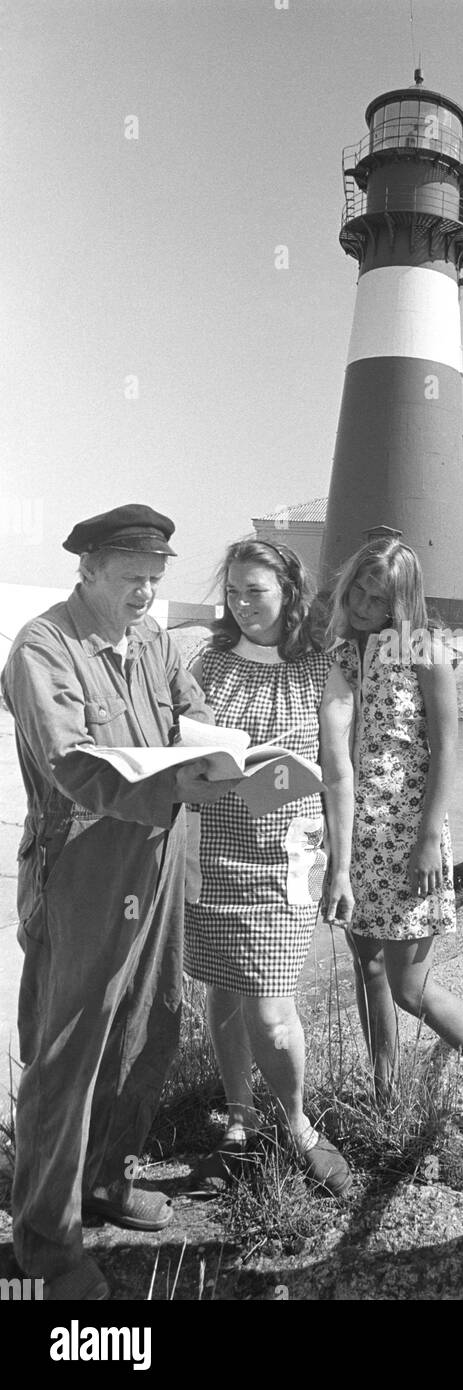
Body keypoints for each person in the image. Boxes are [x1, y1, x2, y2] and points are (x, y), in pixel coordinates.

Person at [2, 504, 237, 1301]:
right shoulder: (43, 646)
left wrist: (219, 749)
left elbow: (193, 706)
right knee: (69, 1049)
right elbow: (71, 763)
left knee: (150, 1023)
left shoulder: (157, 641)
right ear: (89, 569)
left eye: (155, 580)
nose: (145, 594)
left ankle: (105, 1179)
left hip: (164, 851)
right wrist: (179, 778)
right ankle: (44, 1241)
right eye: (132, 578)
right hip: (82, 863)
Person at [326, 538, 463, 1142]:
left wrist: (430, 836)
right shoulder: (344, 651)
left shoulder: (425, 650)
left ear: (399, 600)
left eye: (376, 596)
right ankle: (385, 1093)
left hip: (409, 832)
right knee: (368, 971)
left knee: (409, 987)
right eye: (356, 589)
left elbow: (448, 748)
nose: (362, 603)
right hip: (359, 835)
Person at [183, 540, 355, 1198]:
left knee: (274, 1011)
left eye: (256, 591)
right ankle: (240, 1117)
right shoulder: (209, 660)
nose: (242, 604)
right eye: (233, 591)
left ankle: (298, 1124)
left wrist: (341, 867)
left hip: (285, 860)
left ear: (289, 591)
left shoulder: (323, 666)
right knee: (223, 989)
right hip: (215, 852)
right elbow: (186, 745)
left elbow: (337, 772)